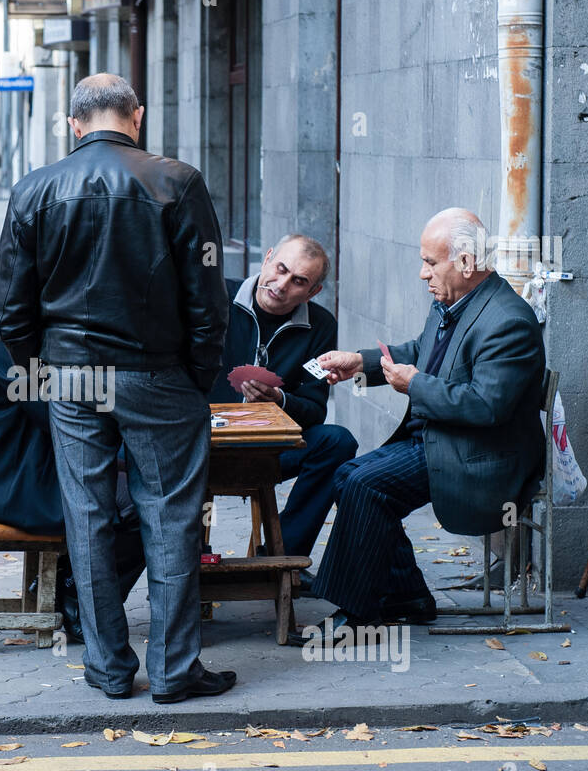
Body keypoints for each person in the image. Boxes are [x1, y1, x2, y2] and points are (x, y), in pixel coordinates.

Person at [0, 72, 234, 704]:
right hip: (157, 372)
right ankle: (176, 670)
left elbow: (11, 310)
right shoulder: (176, 181)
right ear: (138, 115)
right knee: (171, 516)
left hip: (72, 376)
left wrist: (38, 368)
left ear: (74, 124)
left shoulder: (32, 190)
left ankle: (106, 670)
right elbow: (208, 296)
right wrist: (199, 374)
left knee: (89, 516)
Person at [311, 207, 546, 631]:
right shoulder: (452, 301)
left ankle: (358, 614)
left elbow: (486, 406)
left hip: (478, 456)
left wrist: (415, 385)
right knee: (348, 475)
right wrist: (359, 363)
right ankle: (408, 595)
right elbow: (420, 352)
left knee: (366, 484)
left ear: (467, 263)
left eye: (431, 262)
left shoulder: (508, 321)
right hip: (439, 439)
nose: (423, 273)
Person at [0, 293, 145, 643]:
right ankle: (75, 601)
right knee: (142, 500)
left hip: (25, 467)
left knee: (134, 478)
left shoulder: (18, 307)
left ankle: (65, 583)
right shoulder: (7, 325)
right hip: (7, 484)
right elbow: (54, 412)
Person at [209, 234, 358, 564]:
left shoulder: (319, 325)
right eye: (280, 269)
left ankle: (282, 557)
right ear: (268, 258)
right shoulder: (216, 296)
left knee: (337, 441)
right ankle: (186, 567)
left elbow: (315, 409)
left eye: (298, 281)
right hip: (202, 448)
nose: (281, 284)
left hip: (269, 451)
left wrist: (280, 399)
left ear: (312, 292)